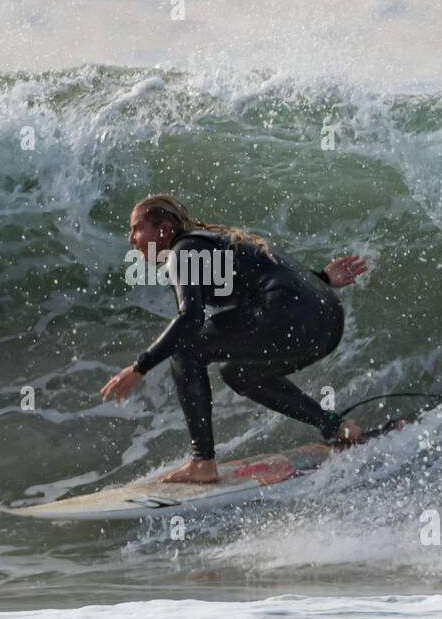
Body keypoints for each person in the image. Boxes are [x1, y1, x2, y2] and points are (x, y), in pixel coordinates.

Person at [99, 194, 368, 483]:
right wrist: (322, 278)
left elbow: (190, 318)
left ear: (163, 230)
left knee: (184, 349)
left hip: (290, 314)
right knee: (239, 373)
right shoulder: (210, 242)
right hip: (325, 322)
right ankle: (337, 428)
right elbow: (271, 272)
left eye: (136, 228)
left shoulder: (184, 249)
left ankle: (202, 461)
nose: (130, 239)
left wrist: (140, 366)